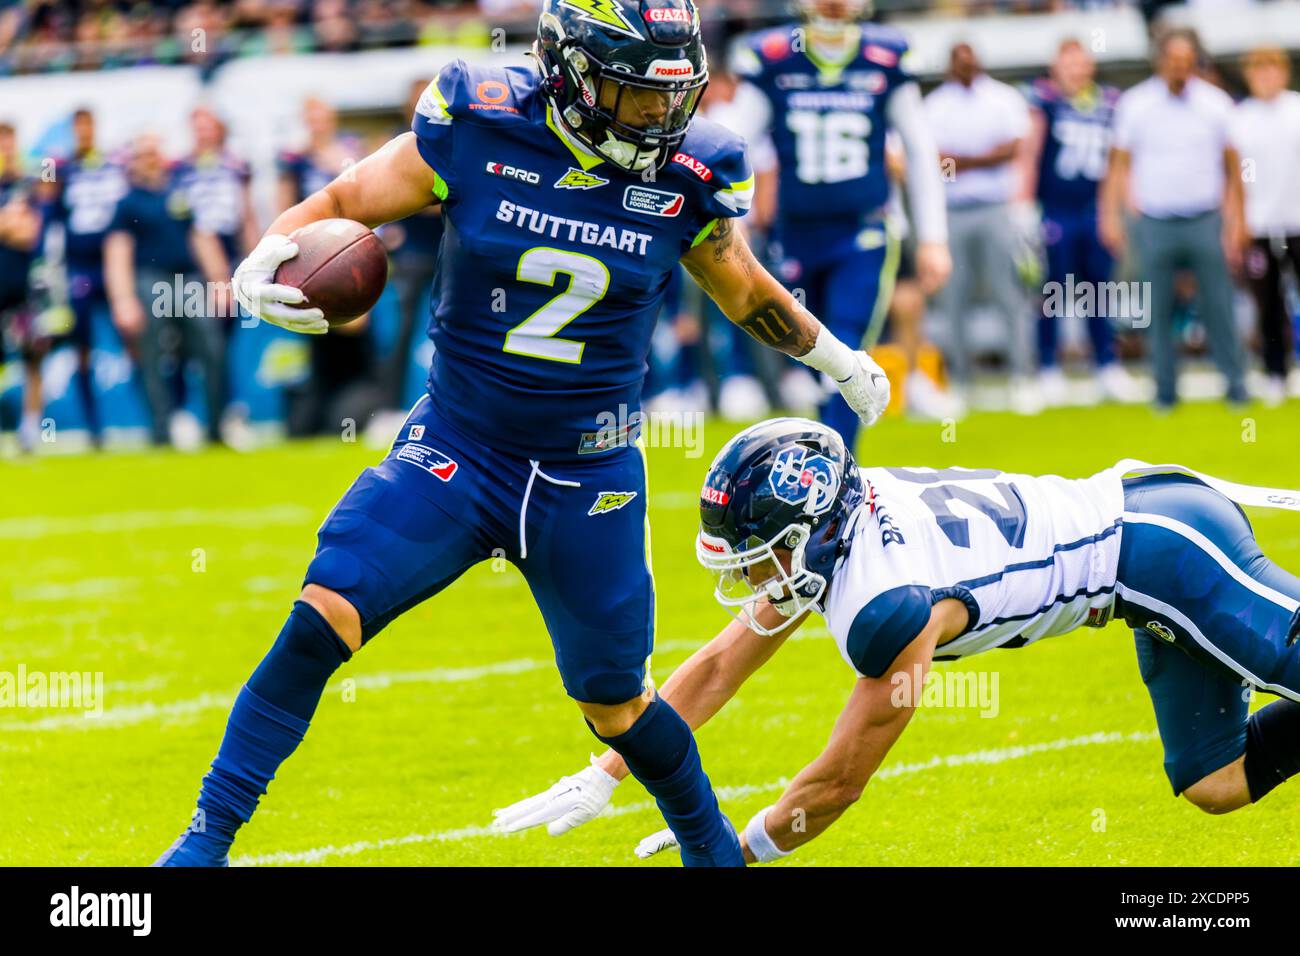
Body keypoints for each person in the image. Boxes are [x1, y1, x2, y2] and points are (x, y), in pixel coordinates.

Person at [154, 0, 890, 868]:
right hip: (458, 447)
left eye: (671, 97)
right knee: (321, 618)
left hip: (589, 473)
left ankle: (710, 852)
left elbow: (743, 287)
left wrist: (838, 358)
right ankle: (203, 844)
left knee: (617, 704)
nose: (659, 118)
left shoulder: (695, 169)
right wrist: (267, 253)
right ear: (570, 75)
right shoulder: (479, 115)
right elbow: (350, 198)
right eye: (635, 96)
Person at [496, 417, 1300, 861]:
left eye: (765, 554)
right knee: (1216, 781)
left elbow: (839, 781)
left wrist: (742, 849)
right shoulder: (841, 529)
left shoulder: (887, 605)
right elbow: (718, 665)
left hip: (1165, 547)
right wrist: (607, 768)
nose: (755, 578)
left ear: (810, 530)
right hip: (1139, 579)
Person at [732, 0, 950, 447]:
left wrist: (933, 238)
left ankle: (837, 467)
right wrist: (733, 217)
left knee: (846, 346)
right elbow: (733, 144)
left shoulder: (887, 56)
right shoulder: (771, 55)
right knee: (804, 356)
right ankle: (820, 449)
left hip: (862, 231)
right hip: (793, 233)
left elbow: (920, 150)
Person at [1100, 29, 1247, 410]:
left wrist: (1236, 219)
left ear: (1194, 62)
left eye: (1186, 61)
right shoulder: (1136, 104)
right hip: (1155, 221)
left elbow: (1234, 169)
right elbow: (1118, 166)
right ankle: (1165, 392)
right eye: (1172, 60)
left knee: (1218, 305)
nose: (1179, 68)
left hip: (1205, 217)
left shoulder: (1216, 104)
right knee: (1159, 310)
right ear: (1160, 61)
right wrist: (1114, 216)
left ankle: (1235, 385)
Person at [1023, 38, 1142, 406]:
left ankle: (1106, 364)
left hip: (1093, 208)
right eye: (1069, 63)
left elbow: (1118, 162)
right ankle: (1047, 366)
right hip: (1055, 208)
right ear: (1056, 67)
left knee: (1099, 290)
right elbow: (1029, 154)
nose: (1076, 70)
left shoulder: (1108, 102)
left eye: (1081, 63)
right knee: (1051, 292)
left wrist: (1120, 209)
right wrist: (1024, 205)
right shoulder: (1044, 101)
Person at [924, 42, 1036, 412]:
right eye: (960, 61)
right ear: (950, 65)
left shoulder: (1001, 98)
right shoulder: (936, 104)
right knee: (953, 296)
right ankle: (960, 380)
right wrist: (979, 158)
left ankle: (1023, 376)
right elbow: (930, 159)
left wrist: (962, 160)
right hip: (951, 211)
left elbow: (1012, 148)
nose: (966, 66)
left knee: (1009, 292)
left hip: (994, 207)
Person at [102, 132, 230, 448]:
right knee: (152, 357)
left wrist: (220, 281)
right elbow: (118, 251)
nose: (151, 159)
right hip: (149, 281)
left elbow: (201, 237)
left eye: (154, 152)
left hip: (188, 280)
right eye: (144, 154)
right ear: (133, 161)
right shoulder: (127, 202)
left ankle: (215, 429)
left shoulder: (179, 194)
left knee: (211, 349)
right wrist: (123, 299)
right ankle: (161, 433)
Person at [47, 108, 128, 441]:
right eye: (78, 128)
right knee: (82, 346)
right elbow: (51, 214)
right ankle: (94, 426)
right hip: (79, 268)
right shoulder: (63, 169)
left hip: (114, 264)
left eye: (88, 126)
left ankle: (158, 418)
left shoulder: (113, 165)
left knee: (132, 335)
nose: (84, 133)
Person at [1230, 45, 1300, 407]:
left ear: (1283, 72)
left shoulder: (1296, 109)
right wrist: (1236, 224)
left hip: (1297, 223)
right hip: (1259, 225)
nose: (1266, 77)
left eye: (1272, 69)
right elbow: (1233, 179)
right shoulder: (1241, 118)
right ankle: (1275, 373)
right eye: (1259, 70)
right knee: (1268, 303)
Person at [0, 121, 44, 451]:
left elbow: (31, 232)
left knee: (32, 357)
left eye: (8, 143)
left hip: (24, 289)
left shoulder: (28, 187)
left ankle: (31, 429)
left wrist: (12, 224)